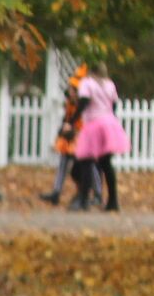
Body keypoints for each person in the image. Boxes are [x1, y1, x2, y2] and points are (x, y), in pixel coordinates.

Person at [69, 64, 128, 213]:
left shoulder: (87, 83)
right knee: (106, 163)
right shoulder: (110, 84)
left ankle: (83, 200)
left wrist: (72, 121)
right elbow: (114, 104)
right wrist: (109, 115)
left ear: (90, 72)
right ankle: (113, 201)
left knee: (86, 162)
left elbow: (84, 102)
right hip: (109, 123)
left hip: (93, 123)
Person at [40, 63, 100, 206]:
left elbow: (81, 121)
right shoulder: (70, 103)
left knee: (89, 165)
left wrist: (72, 128)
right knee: (63, 161)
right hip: (71, 137)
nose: (70, 91)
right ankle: (56, 191)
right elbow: (67, 118)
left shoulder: (83, 106)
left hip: (81, 136)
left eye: (73, 89)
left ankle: (97, 193)